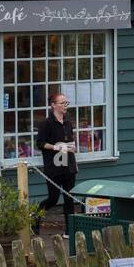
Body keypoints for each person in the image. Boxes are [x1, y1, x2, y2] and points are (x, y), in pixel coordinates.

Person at [35, 92, 78, 230]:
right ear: (53, 105)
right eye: (62, 103)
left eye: (66, 103)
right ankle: (34, 219)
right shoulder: (46, 124)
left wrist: (73, 147)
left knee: (69, 199)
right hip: (53, 166)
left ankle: (69, 230)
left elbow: (69, 140)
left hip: (68, 165)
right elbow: (40, 143)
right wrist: (55, 147)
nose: (65, 106)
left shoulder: (68, 123)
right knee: (53, 199)